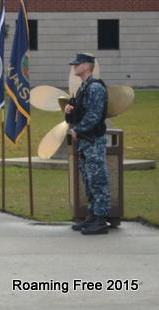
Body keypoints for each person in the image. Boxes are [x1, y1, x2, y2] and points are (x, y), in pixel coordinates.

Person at [64, 52, 110, 236]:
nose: (74, 67)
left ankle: (101, 219)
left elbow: (94, 114)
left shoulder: (95, 87)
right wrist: (70, 111)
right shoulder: (84, 87)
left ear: (86, 66)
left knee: (98, 180)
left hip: (93, 141)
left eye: (77, 64)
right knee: (89, 180)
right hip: (85, 142)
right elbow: (82, 113)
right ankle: (93, 215)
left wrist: (78, 129)